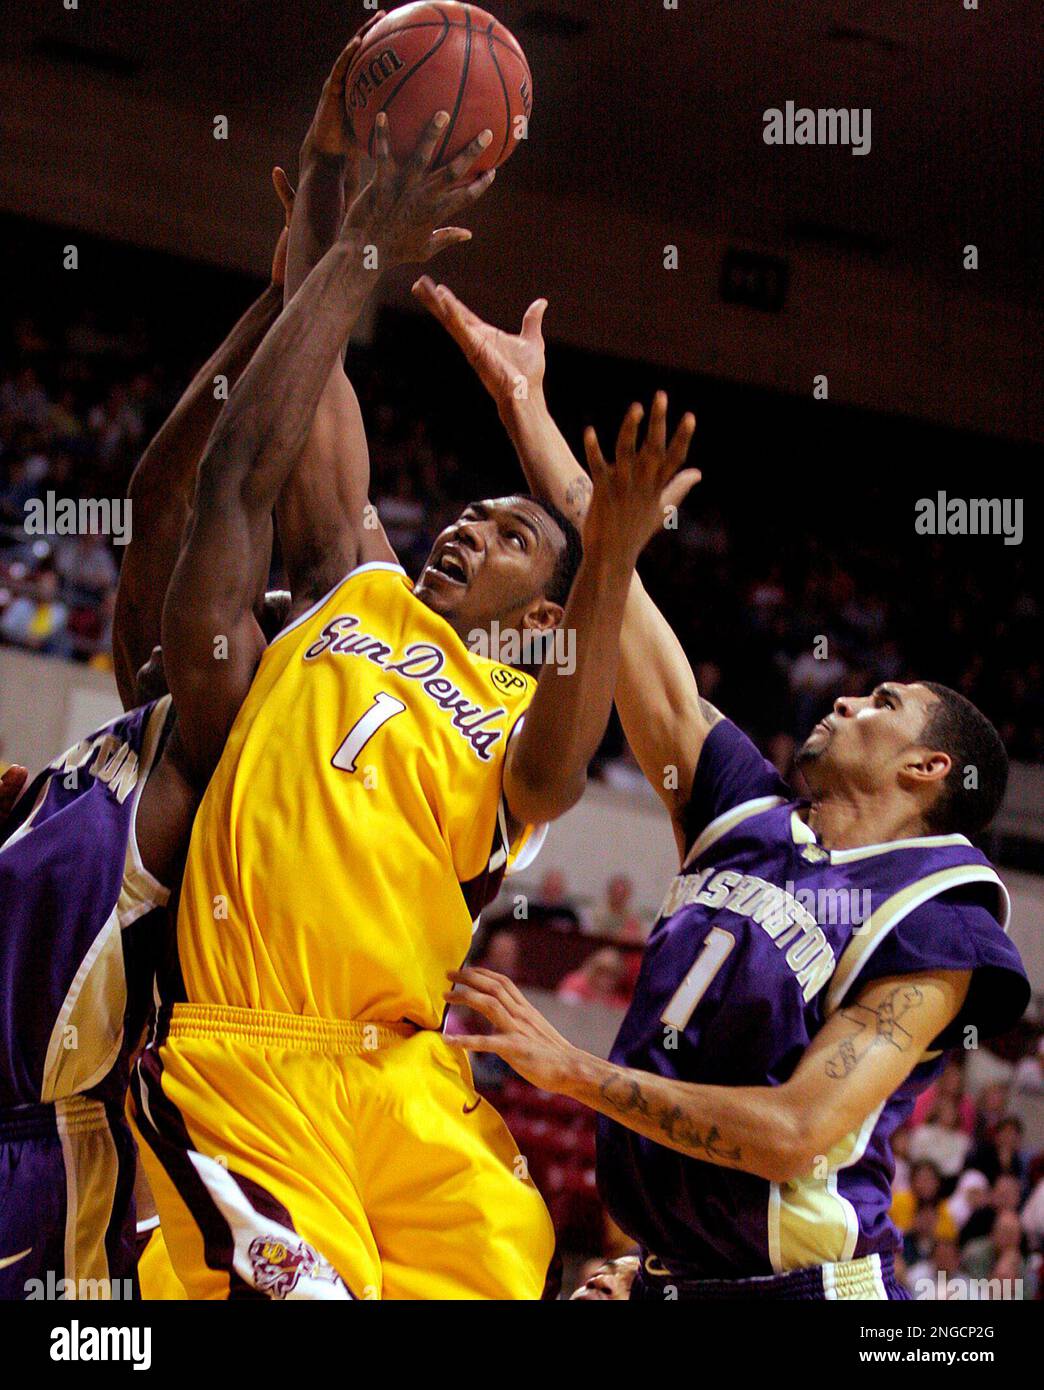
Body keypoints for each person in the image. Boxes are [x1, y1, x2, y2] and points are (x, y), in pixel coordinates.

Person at [130, 55, 699, 1302]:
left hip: (404, 1084)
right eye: (469, 512)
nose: (463, 530)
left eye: (505, 531)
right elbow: (307, 384)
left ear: (547, 609)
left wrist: (608, 554)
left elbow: (561, 757)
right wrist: (335, 178)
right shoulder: (358, 585)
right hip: (250, 1053)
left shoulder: (520, 724)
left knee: (514, 1267)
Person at [423, 282, 1030, 1301]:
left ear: (930, 770)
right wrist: (524, 405)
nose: (845, 698)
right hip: (680, 1275)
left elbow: (797, 1132)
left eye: (882, 701)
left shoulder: (938, 921)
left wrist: (573, 1072)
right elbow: (618, 587)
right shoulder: (743, 811)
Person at [0, 157, 302, 1301]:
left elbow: (234, 488)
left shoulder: (201, 762)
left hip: (45, 1166)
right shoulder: (121, 730)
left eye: (243, 614)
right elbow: (160, 495)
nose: (208, 601)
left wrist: (326, 286)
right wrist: (276, 299)